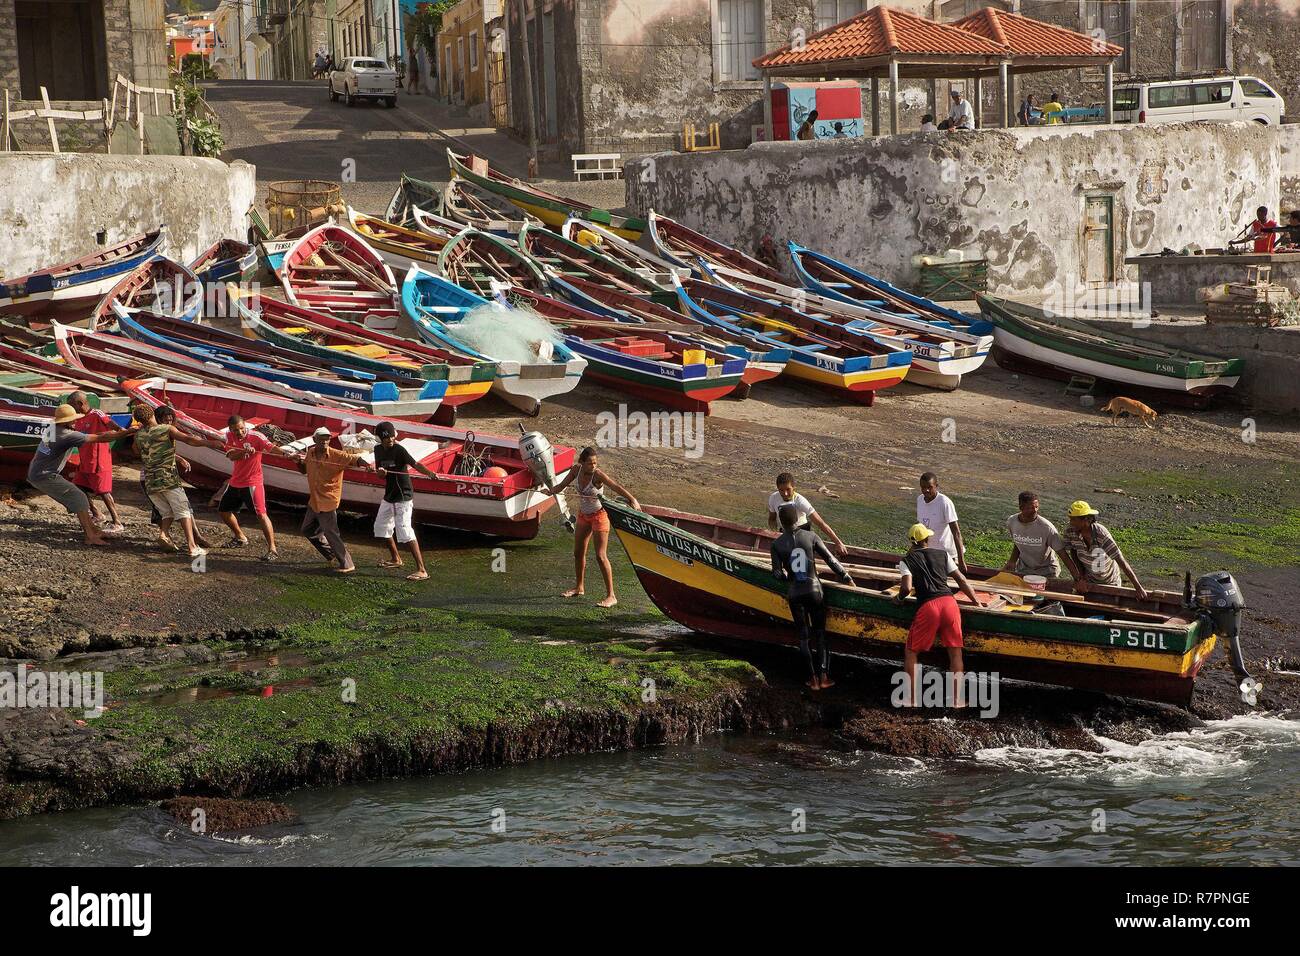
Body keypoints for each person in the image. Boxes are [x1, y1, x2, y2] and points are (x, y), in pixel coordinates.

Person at [895, 523, 984, 707]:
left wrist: (898, 599)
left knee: (911, 652)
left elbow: (906, 587)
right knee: (955, 652)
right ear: (927, 539)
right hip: (949, 604)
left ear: (912, 542)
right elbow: (961, 579)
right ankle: (957, 700)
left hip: (929, 606)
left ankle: (911, 699)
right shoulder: (943, 555)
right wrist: (976, 602)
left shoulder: (907, 560)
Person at [26, 404, 137, 546]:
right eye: (72, 420)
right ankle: (90, 535)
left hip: (36, 472)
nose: (75, 421)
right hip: (44, 476)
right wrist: (125, 433)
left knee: (79, 497)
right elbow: (99, 437)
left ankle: (94, 530)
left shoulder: (52, 429)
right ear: (65, 422)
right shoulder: (67, 434)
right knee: (79, 497)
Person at [771, 503, 853, 690]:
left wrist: (785, 577)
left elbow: (777, 573)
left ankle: (813, 679)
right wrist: (845, 577)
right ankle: (825, 676)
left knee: (803, 637)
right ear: (798, 520)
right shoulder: (810, 536)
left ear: (781, 522)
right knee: (821, 634)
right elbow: (831, 560)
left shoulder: (776, 544)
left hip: (795, 593)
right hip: (815, 591)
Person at [549, 446, 639, 608]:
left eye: (595, 463)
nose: (593, 466)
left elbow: (615, 486)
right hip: (584, 515)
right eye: (590, 463)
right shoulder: (576, 471)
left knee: (600, 556)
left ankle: (611, 596)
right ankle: (579, 587)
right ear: (582, 462)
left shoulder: (598, 475)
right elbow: (560, 487)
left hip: (600, 516)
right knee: (578, 553)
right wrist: (549, 491)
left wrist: (632, 499)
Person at [134, 405, 224, 559]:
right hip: (168, 478)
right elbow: (189, 439)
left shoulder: (139, 435)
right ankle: (192, 546)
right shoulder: (166, 429)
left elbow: (136, 451)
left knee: (166, 512)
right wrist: (211, 444)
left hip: (150, 480)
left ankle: (163, 534)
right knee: (184, 511)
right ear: (152, 415)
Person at [295, 426, 374, 575]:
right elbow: (303, 470)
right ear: (314, 440)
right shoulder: (310, 453)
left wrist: (367, 465)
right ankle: (330, 553)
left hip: (328, 500)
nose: (325, 442)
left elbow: (354, 459)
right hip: (314, 499)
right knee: (307, 529)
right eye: (322, 439)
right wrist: (297, 461)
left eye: (327, 439)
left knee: (331, 532)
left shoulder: (336, 455)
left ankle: (347, 563)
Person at [372, 421, 440, 581]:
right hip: (389, 495)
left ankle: (422, 570)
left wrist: (430, 474)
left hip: (403, 496)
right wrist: (381, 473)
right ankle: (396, 559)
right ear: (380, 439)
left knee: (405, 531)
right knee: (381, 526)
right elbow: (380, 474)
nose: (390, 440)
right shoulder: (377, 450)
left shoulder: (399, 450)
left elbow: (415, 464)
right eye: (386, 438)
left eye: (391, 437)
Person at [218, 415, 284, 561]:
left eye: (241, 428)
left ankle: (272, 549)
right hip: (236, 481)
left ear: (245, 426)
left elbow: (271, 448)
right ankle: (240, 537)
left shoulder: (256, 436)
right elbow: (231, 456)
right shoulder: (228, 436)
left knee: (261, 514)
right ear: (230, 429)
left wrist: (285, 454)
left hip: (253, 482)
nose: (240, 432)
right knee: (223, 510)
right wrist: (245, 451)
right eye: (236, 430)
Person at [1060, 501, 1148, 600]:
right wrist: (1081, 577)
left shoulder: (1101, 534)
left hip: (1110, 581)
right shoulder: (1070, 531)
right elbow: (1073, 552)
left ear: (1086, 520)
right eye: (1070, 519)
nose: (1071, 522)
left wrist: (1138, 587)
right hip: (1090, 580)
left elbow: (1120, 560)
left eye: (1074, 519)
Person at [67, 391, 125, 534]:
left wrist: (121, 431)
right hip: (85, 460)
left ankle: (117, 522)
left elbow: (112, 424)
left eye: (71, 405)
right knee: (78, 486)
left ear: (79, 404)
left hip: (99, 459)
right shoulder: (79, 419)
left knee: (103, 491)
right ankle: (97, 513)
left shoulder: (96, 414)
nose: (70, 408)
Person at [767, 472, 847, 556]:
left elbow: (820, 523)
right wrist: (774, 534)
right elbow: (772, 518)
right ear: (777, 489)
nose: (785, 494)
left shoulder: (800, 501)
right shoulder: (773, 498)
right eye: (781, 490)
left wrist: (838, 543)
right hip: (785, 533)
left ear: (793, 487)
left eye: (788, 489)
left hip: (802, 535)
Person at [1002, 491, 1066, 579]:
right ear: (1021, 507)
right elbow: (1019, 542)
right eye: (1030, 508)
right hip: (1024, 570)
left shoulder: (1047, 528)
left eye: (1036, 507)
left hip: (1047, 572)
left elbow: (1063, 553)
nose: (1035, 510)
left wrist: (1077, 578)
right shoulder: (1012, 522)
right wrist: (1012, 561)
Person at [916, 472, 967, 575]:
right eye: (923, 487)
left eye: (929, 487)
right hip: (930, 553)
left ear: (936, 486)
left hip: (947, 555)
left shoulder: (944, 502)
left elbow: (956, 533)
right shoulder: (920, 500)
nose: (926, 490)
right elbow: (921, 529)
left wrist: (961, 561)